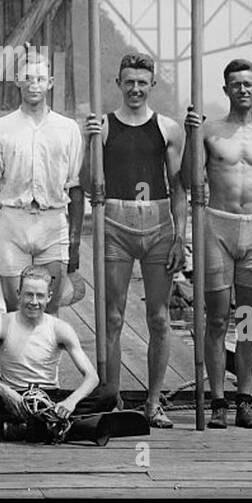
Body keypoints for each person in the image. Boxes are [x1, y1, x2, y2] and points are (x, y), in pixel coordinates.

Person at [82, 53, 187, 429]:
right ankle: (111, 395)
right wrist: (90, 140)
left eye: (143, 82)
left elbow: (179, 189)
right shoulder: (104, 127)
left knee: (159, 319)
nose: (136, 89)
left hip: (159, 228)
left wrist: (180, 238)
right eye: (129, 82)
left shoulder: (169, 129)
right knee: (112, 316)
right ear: (119, 83)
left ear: (152, 85)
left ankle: (154, 403)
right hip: (116, 228)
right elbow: (85, 179)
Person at [182, 58, 252, 429]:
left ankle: (245, 402)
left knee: (249, 321)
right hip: (216, 224)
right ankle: (218, 400)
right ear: (225, 90)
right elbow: (190, 179)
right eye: (235, 84)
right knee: (218, 317)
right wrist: (192, 136)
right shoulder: (209, 132)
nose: (242, 89)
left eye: (248, 83)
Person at [0, 266, 117, 441]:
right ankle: (59, 428)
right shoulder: (0, 323)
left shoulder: (60, 328)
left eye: (40, 296)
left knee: (109, 392)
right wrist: (6, 393)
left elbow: (92, 377)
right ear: (19, 294)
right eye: (29, 294)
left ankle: (21, 428)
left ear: (49, 297)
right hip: (15, 397)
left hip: (50, 396)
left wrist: (71, 402)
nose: (34, 302)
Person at [0, 51, 83, 314]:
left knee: (49, 310)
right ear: (17, 81)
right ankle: (12, 356)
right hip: (13, 220)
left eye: (40, 78)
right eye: (28, 78)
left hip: (52, 221)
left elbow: (75, 187)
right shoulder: (1, 127)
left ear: (50, 82)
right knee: (13, 308)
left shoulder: (68, 128)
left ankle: (47, 357)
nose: (34, 84)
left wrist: (74, 243)